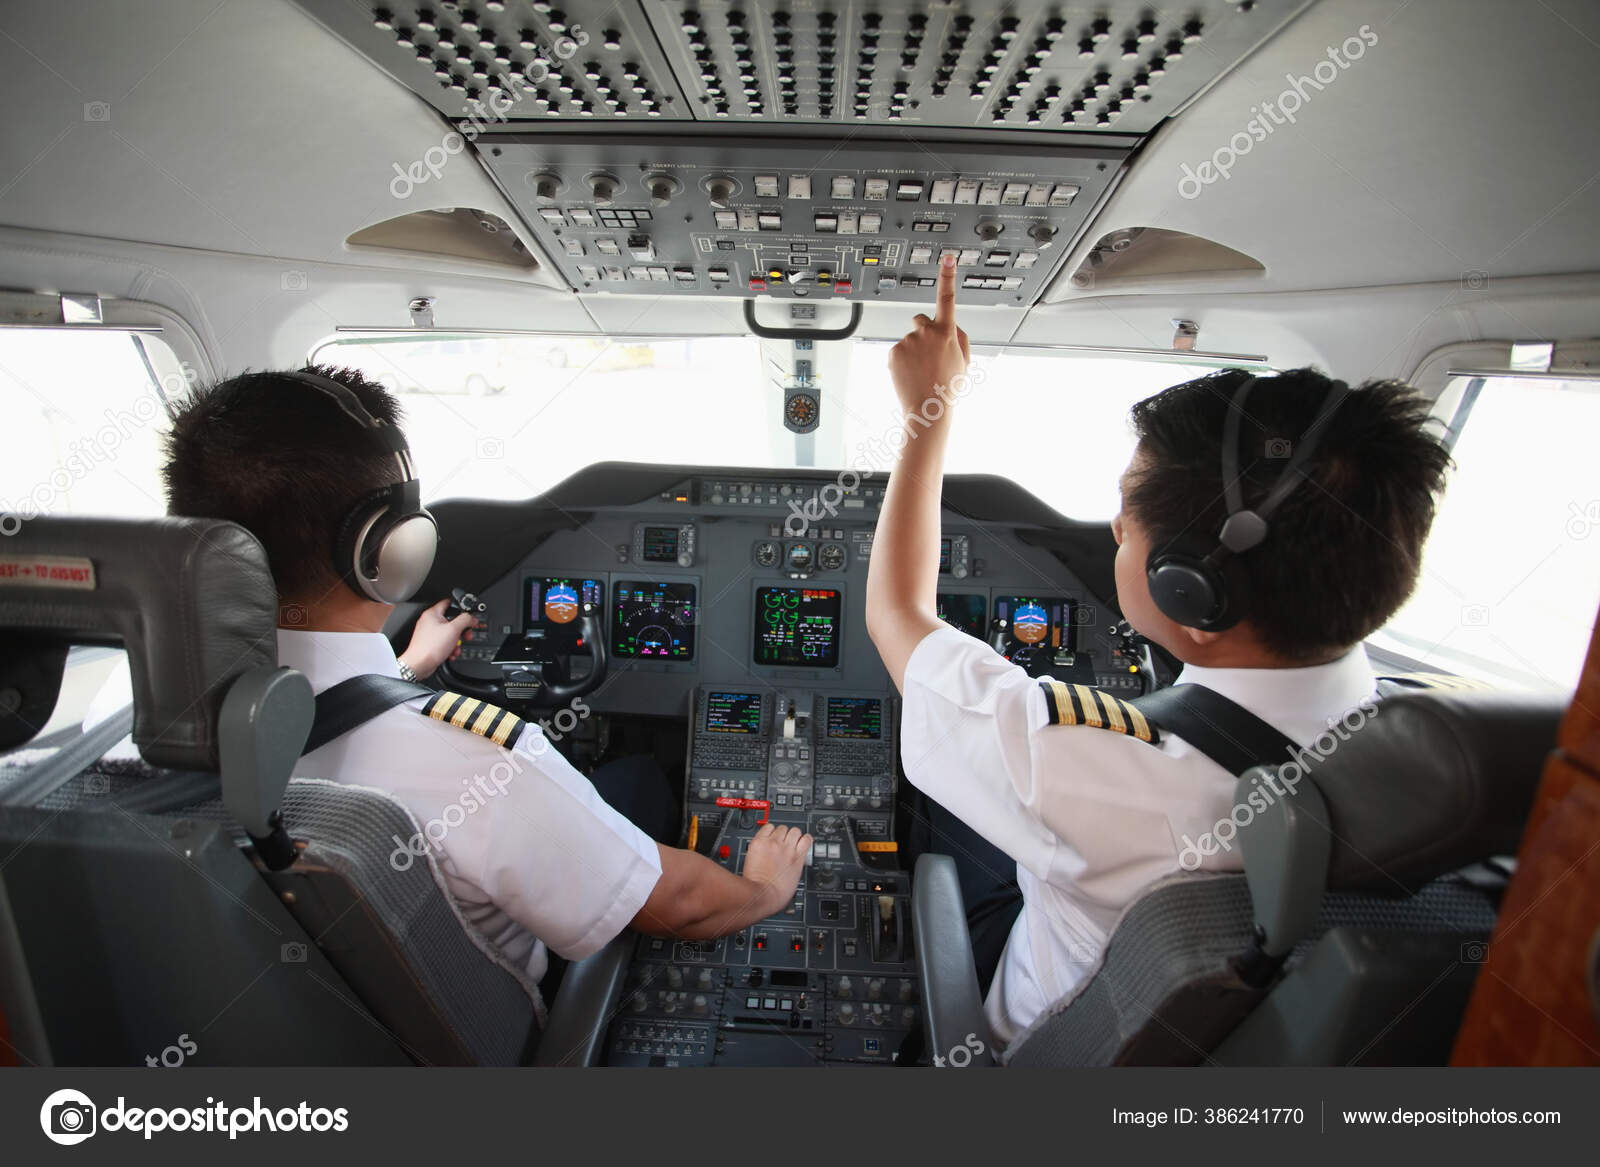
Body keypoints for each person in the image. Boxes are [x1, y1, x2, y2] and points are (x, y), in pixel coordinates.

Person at [865, 255, 1451, 1050]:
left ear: (1192, 591)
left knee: (936, 841)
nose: (1113, 528)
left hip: (1039, 1047)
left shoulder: (1072, 757)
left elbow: (897, 612)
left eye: (1128, 516)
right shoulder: (1444, 755)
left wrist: (928, 414)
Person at [151, 364, 811, 1012]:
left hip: (306, 1028)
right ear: (389, 547)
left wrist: (400, 674)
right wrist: (764, 888)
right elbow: (680, 905)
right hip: (492, 1024)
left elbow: (316, 722)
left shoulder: (156, 733)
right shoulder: (483, 760)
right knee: (640, 779)